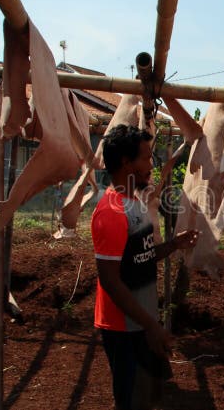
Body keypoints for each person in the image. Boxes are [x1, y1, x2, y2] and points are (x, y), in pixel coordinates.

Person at [92, 124, 199, 410]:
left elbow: (142, 256)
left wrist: (174, 244)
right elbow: (110, 280)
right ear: (126, 162)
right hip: (124, 328)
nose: (151, 164)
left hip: (140, 322)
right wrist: (152, 325)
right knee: (131, 401)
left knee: (147, 399)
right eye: (145, 158)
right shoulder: (111, 212)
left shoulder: (133, 205)